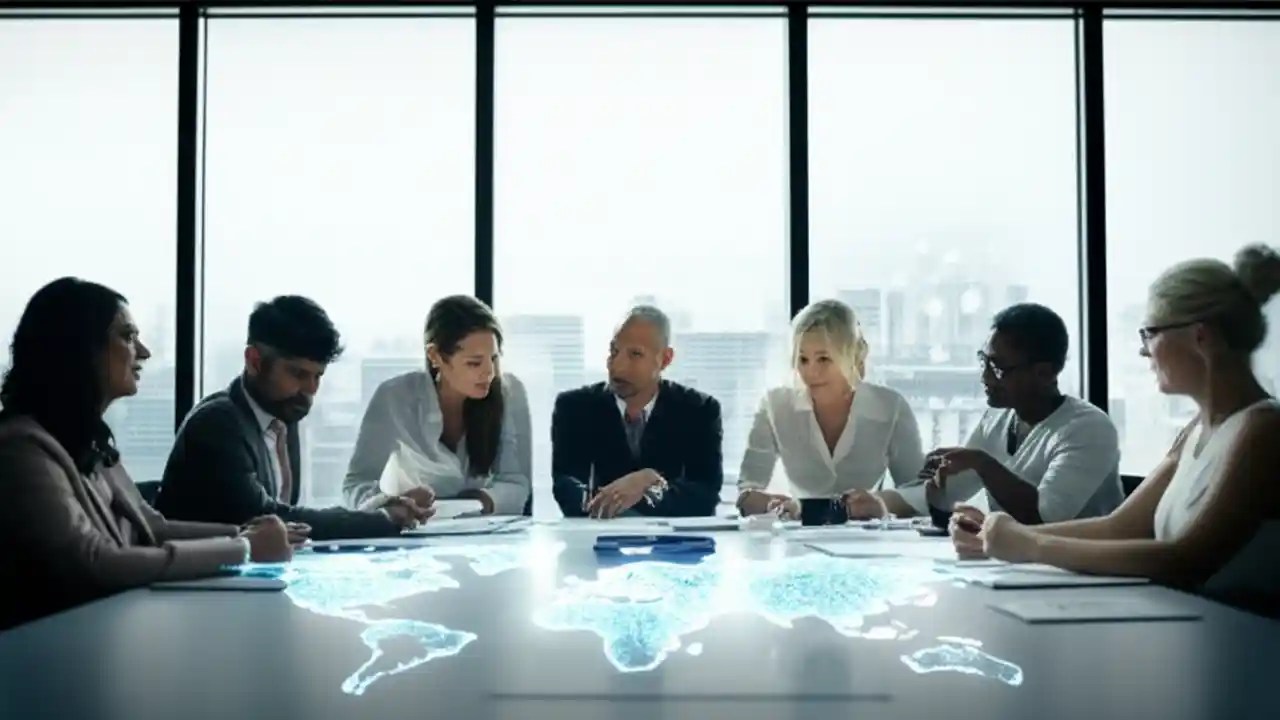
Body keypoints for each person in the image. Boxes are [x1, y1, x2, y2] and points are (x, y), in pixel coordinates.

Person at [959, 246, 1280, 617]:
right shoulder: (1198, 429)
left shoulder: (1263, 431)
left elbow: (1185, 559)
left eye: (1150, 334)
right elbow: (1121, 526)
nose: (1145, 352)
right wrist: (997, 536)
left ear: (1201, 337)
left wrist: (1031, 545)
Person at [0, 278, 293, 631]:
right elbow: (93, 562)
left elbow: (152, 528)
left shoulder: (89, 441)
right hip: (47, 655)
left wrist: (242, 533)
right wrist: (244, 549)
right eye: (127, 336)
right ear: (79, 349)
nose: (143, 352)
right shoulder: (20, 448)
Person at [156, 296, 426, 539]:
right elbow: (269, 519)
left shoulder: (281, 414)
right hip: (197, 586)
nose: (310, 389)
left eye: (317, 376)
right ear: (255, 361)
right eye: (297, 374)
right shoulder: (217, 424)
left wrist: (380, 507)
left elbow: (289, 518)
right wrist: (379, 521)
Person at [876, 303, 1122, 526]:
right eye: (984, 362)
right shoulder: (997, 420)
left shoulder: (1088, 428)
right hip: (1020, 564)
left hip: (1083, 567)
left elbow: (1046, 518)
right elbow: (949, 495)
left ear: (1044, 373)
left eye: (997, 368)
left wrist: (983, 464)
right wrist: (934, 485)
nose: (985, 377)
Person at [736, 300, 923, 521]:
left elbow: (919, 492)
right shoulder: (775, 405)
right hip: (798, 538)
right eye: (802, 359)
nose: (810, 372)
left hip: (868, 541)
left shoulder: (890, 407)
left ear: (851, 357)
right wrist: (772, 505)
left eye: (823, 359)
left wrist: (878, 504)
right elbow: (746, 492)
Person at [343, 295, 530, 515]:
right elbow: (356, 483)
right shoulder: (395, 398)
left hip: (482, 531)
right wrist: (389, 505)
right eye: (474, 363)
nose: (489, 372)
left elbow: (517, 484)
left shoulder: (509, 392)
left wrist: (481, 500)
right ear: (435, 356)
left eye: (494, 359)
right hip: (415, 532)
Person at [552, 305, 723, 518]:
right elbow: (566, 486)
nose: (617, 366)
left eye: (635, 354)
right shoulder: (574, 407)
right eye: (614, 351)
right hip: (598, 537)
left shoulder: (699, 410)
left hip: (672, 545)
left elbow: (704, 495)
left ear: (666, 359)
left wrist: (647, 484)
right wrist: (609, 499)